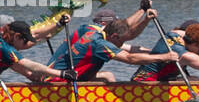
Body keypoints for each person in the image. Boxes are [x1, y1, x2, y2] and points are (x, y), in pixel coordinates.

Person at [49, 7, 177, 82]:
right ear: (114, 36)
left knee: (108, 76)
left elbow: (128, 32)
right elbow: (129, 58)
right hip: (59, 82)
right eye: (121, 41)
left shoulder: (98, 34)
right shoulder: (99, 43)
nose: (121, 44)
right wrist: (164, 57)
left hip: (67, 76)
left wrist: (145, 18)